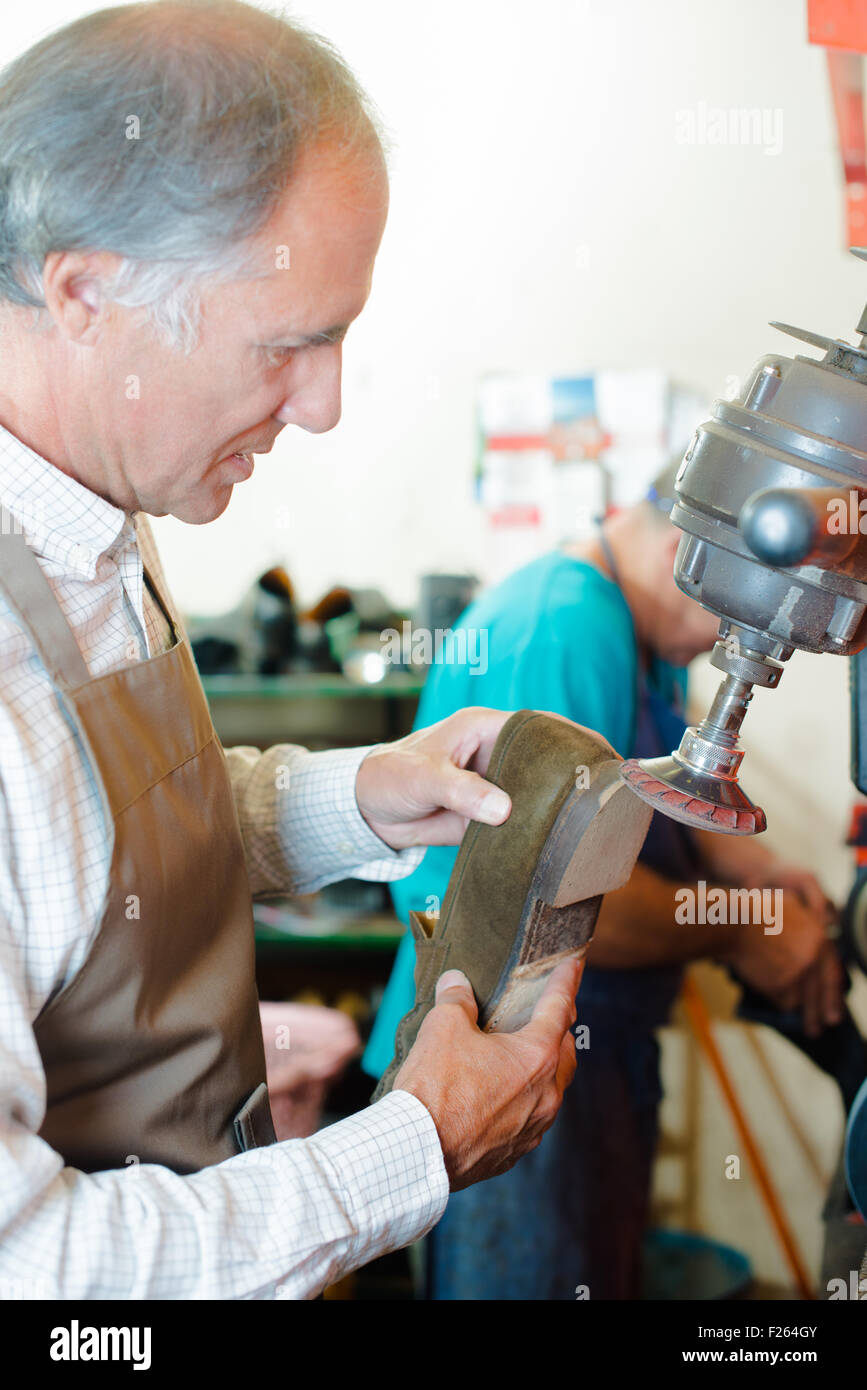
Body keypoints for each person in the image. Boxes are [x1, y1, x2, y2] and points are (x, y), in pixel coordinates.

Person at [0, 0, 583, 1301]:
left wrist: (354, 796)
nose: (320, 405)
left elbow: (96, 862)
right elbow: (28, 1261)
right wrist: (410, 1149)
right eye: (291, 344)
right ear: (84, 293)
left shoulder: (92, 521)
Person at [364, 477, 845, 1300]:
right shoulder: (563, 629)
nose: (720, 652)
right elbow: (555, 907)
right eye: (728, 626)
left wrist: (755, 876)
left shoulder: (636, 630)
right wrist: (744, 927)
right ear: (681, 557)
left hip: (588, 1055)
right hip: (493, 1057)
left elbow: (659, 792)